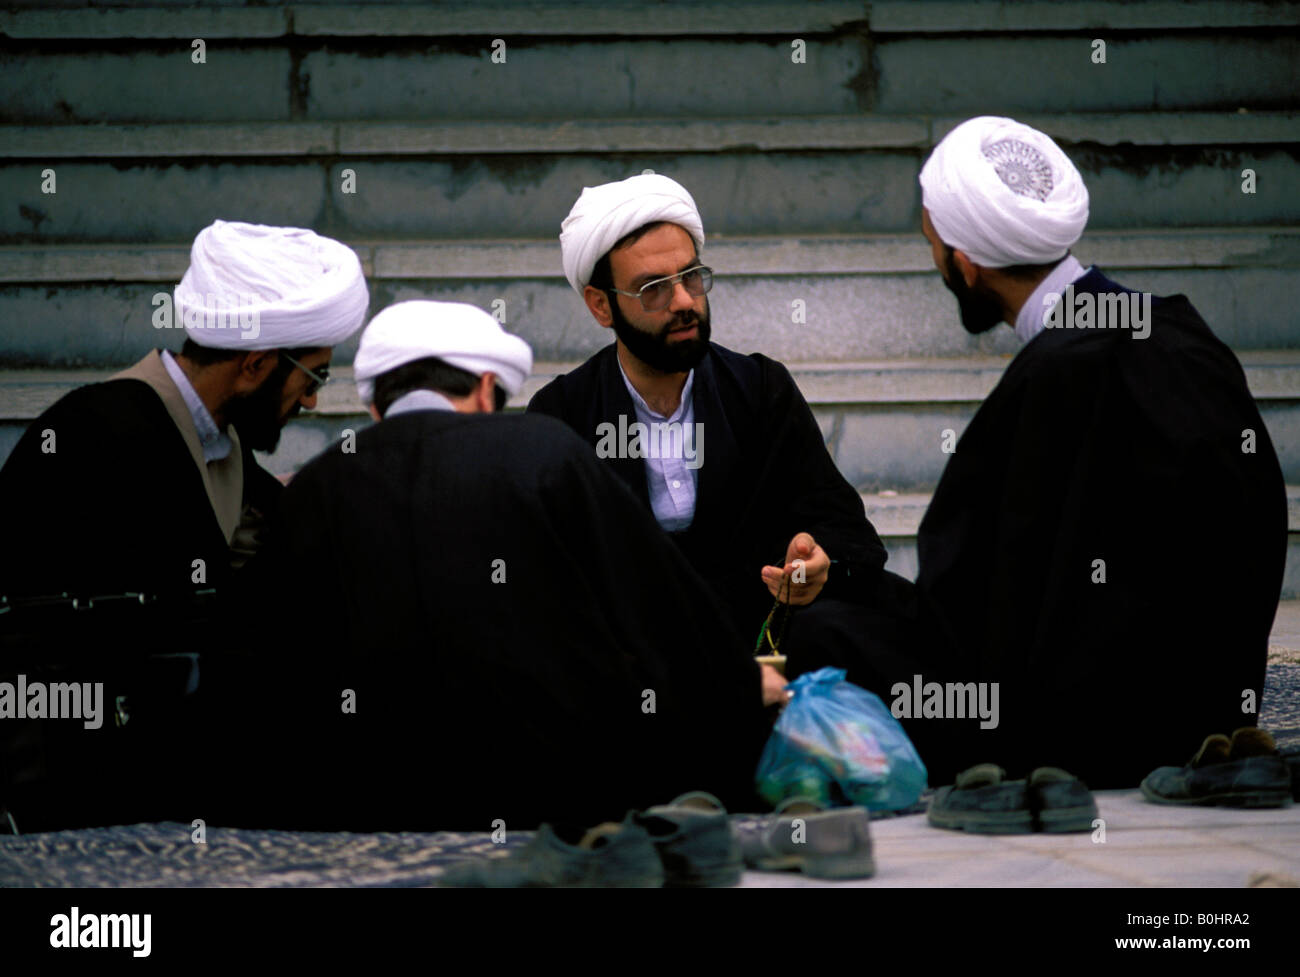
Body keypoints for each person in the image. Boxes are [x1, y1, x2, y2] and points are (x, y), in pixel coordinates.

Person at [236, 300, 784, 831]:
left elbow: (261, 660)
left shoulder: (314, 487)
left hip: (358, 793)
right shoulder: (544, 451)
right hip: (550, 790)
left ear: (377, 408)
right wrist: (737, 683)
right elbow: (658, 603)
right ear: (483, 388)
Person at [905, 116, 1287, 786]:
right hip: (1209, 713)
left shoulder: (1052, 376)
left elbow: (967, 585)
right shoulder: (1179, 332)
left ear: (965, 266)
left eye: (935, 248)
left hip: (1079, 740)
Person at [0, 219, 370, 832]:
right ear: (254, 365)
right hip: (86, 819)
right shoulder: (99, 434)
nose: (312, 402)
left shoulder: (213, 441)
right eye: (314, 376)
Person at [527, 173, 894, 669]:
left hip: (760, 655)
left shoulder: (760, 388)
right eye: (653, 289)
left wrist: (816, 564)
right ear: (600, 305)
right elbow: (543, 578)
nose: (683, 302)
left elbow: (848, 534)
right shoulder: (562, 415)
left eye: (691, 278)